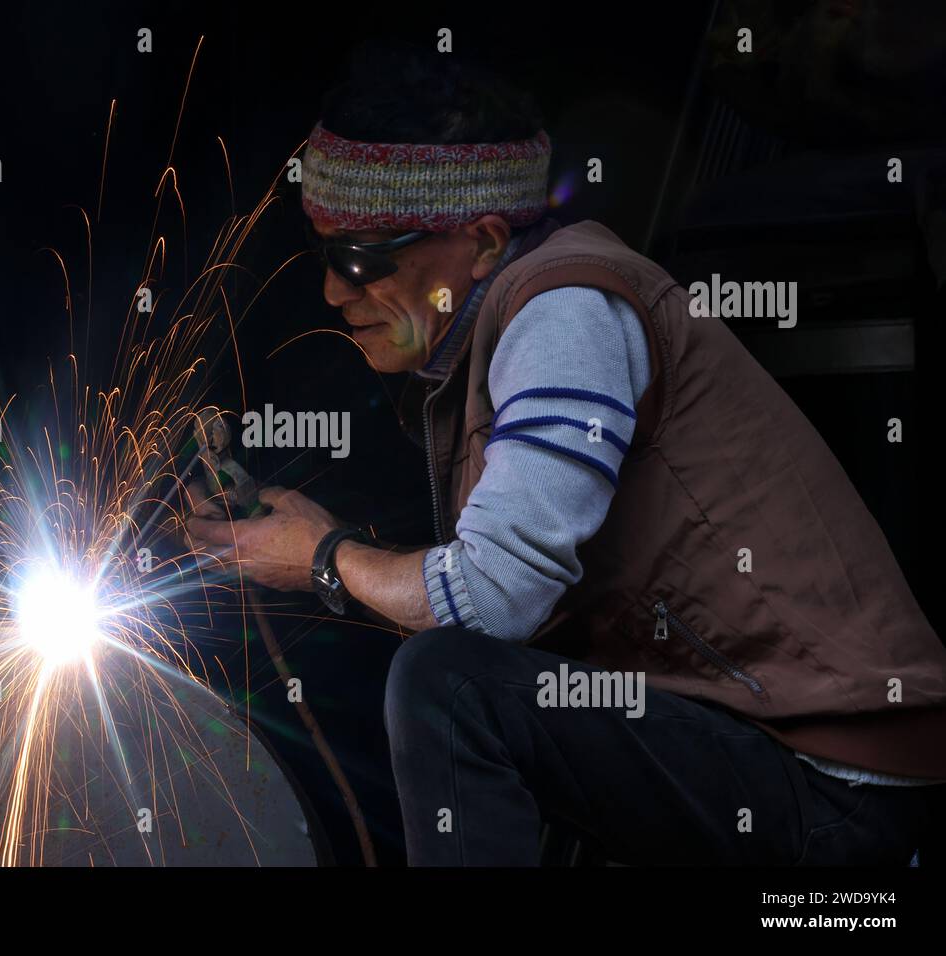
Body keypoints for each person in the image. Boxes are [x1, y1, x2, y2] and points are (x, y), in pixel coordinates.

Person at [186, 41, 946, 866]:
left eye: (363, 258)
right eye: (326, 255)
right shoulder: (493, 331)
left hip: (839, 791)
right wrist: (321, 541)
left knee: (452, 685)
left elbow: (491, 598)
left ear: (480, 241)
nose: (335, 291)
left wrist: (324, 559)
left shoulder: (566, 315)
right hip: (754, 753)